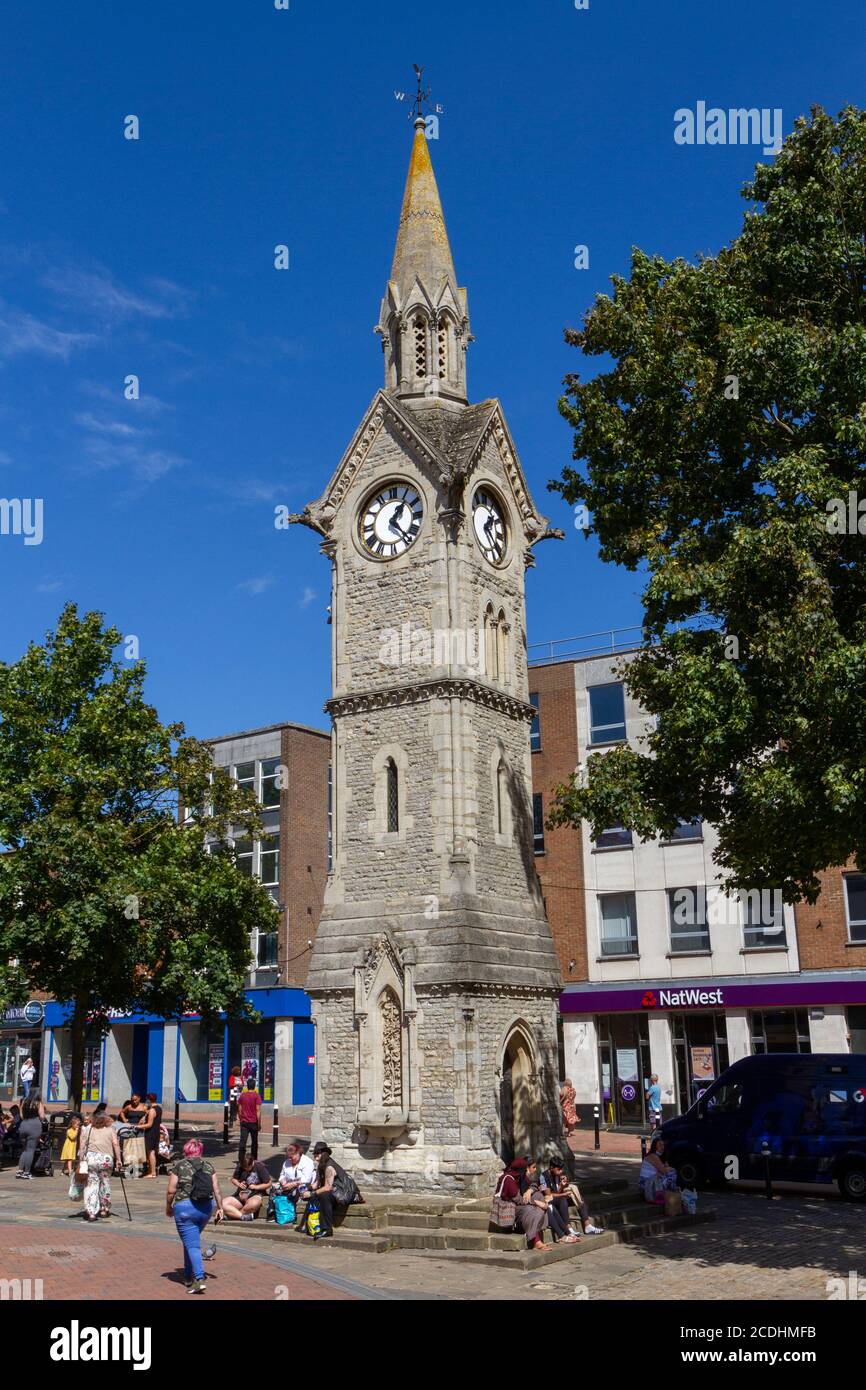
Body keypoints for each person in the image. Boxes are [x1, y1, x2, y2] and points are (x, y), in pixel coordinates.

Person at [166, 1138, 224, 1294]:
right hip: (206, 1208)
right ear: (200, 1152)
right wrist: (220, 1208)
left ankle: (198, 1279)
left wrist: (168, 1207)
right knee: (190, 1239)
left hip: (185, 1209)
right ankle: (187, 1275)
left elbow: (171, 1191)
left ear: (186, 1151)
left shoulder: (179, 1166)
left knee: (192, 1244)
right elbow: (216, 1190)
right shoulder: (208, 1166)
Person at [492, 1158, 548, 1250]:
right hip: (510, 1209)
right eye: (524, 1169)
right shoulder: (508, 1179)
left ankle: (535, 1229)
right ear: (520, 1169)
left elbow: (534, 1184)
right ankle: (535, 1239)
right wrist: (536, 1203)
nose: (526, 1171)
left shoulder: (520, 1176)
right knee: (530, 1209)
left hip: (519, 1205)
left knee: (538, 1195)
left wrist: (530, 1191)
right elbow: (518, 1200)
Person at [540, 1156, 603, 1237]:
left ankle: (587, 1226)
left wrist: (563, 1186)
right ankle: (568, 1228)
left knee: (577, 1197)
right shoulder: (543, 1176)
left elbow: (558, 1190)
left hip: (558, 1197)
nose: (561, 1171)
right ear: (552, 1167)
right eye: (558, 1169)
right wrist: (563, 1194)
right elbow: (548, 1195)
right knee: (563, 1199)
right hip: (549, 1201)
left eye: (561, 1169)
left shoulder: (558, 1174)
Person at [78, 1112, 122, 1219]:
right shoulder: (111, 1130)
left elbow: (82, 1144)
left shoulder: (88, 1129)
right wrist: (119, 1159)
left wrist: (81, 1158)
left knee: (91, 1184)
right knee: (105, 1183)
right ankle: (104, 1208)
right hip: (105, 1159)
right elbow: (115, 1144)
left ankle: (91, 1211)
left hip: (91, 1159)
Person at [222, 1153, 272, 1220]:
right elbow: (233, 1179)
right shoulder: (241, 1165)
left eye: (247, 1168)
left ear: (252, 1163)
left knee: (254, 1204)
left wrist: (256, 1187)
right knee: (223, 1203)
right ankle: (243, 1217)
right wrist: (238, 1184)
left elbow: (269, 1183)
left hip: (255, 1195)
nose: (245, 1169)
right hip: (240, 1195)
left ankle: (232, 1216)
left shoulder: (259, 1167)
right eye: (244, 1168)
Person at [16, 1087, 45, 1179]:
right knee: (30, 1150)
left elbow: (21, 1115)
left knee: (24, 1150)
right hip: (34, 1125)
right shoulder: (38, 1103)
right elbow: (42, 1116)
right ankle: (27, 1172)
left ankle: (20, 1171)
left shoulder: (24, 1101)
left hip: (24, 1125)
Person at [639, 1135, 678, 1202]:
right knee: (672, 1173)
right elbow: (664, 1170)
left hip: (653, 1180)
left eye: (663, 1145)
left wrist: (664, 1169)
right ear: (655, 1146)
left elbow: (664, 1168)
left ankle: (670, 1192)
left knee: (669, 1173)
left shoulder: (660, 1156)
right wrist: (669, 1169)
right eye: (660, 1145)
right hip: (646, 1183)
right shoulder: (653, 1156)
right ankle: (671, 1192)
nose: (662, 1147)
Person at [137, 1093, 163, 1179]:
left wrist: (137, 1126)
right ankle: (150, 1171)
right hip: (156, 1132)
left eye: (147, 1100)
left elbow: (149, 1124)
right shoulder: (158, 1108)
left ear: (149, 1100)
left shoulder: (152, 1110)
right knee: (151, 1152)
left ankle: (153, 1173)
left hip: (151, 1133)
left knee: (151, 1152)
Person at [236, 1076, 262, 1161]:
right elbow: (258, 1110)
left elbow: (239, 1109)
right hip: (254, 1122)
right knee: (254, 1142)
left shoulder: (243, 1096)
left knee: (242, 1141)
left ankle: (241, 1159)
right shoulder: (257, 1096)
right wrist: (259, 1124)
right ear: (254, 1086)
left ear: (247, 1086)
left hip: (244, 1122)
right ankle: (253, 1159)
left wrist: (240, 1119)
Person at [60, 1113, 82, 1177]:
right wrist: (77, 1131)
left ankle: (62, 1171)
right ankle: (70, 1172)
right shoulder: (69, 1130)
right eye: (76, 1124)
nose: (78, 1126)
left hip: (72, 1147)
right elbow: (72, 1137)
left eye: (78, 1124)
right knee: (69, 1159)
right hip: (68, 1146)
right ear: (72, 1124)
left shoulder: (75, 1130)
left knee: (67, 1160)